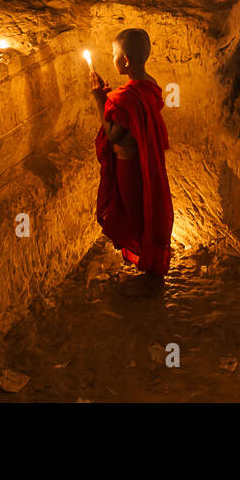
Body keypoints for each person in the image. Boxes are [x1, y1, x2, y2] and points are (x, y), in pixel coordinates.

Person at [89, 28, 172, 295]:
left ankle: (147, 264)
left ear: (124, 61)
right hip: (144, 163)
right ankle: (149, 260)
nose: (112, 59)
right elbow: (133, 117)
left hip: (128, 167)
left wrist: (100, 103)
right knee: (145, 209)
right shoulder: (149, 84)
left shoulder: (123, 99)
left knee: (134, 212)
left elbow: (113, 133)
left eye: (114, 55)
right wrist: (110, 100)